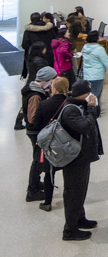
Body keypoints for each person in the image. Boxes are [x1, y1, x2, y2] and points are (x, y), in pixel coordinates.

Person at [60, 79, 103, 241]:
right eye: (89, 92)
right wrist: (91, 107)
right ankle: (69, 230)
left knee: (80, 190)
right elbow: (86, 125)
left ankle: (79, 218)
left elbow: (94, 116)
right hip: (74, 159)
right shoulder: (70, 110)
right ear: (82, 94)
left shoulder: (80, 104)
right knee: (73, 193)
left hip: (82, 156)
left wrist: (93, 106)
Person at [35, 76, 70, 212]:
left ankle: (47, 202)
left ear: (54, 88)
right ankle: (69, 199)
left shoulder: (44, 104)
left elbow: (36, 123)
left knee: (49, 173)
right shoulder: (69, 104)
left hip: (50, 144)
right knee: (68, 172)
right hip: (67, 143)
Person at [24, 66, 57, 202]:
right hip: (36, 131)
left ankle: (36, 183)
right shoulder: (35, 95)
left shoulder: (33, 90)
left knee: (37, 158)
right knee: (38, 160)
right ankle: (32, 190)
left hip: (35, 131)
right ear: (47, 80)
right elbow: (33, 117)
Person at [81, 30, 108, 112]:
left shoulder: (85, 47)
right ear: (97, 39)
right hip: (97, 75)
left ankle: (95, 109)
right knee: (96, 94)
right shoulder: (99, 49)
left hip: (87, 74)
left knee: (89, 93)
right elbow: (106, 61)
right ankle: (94, 111)